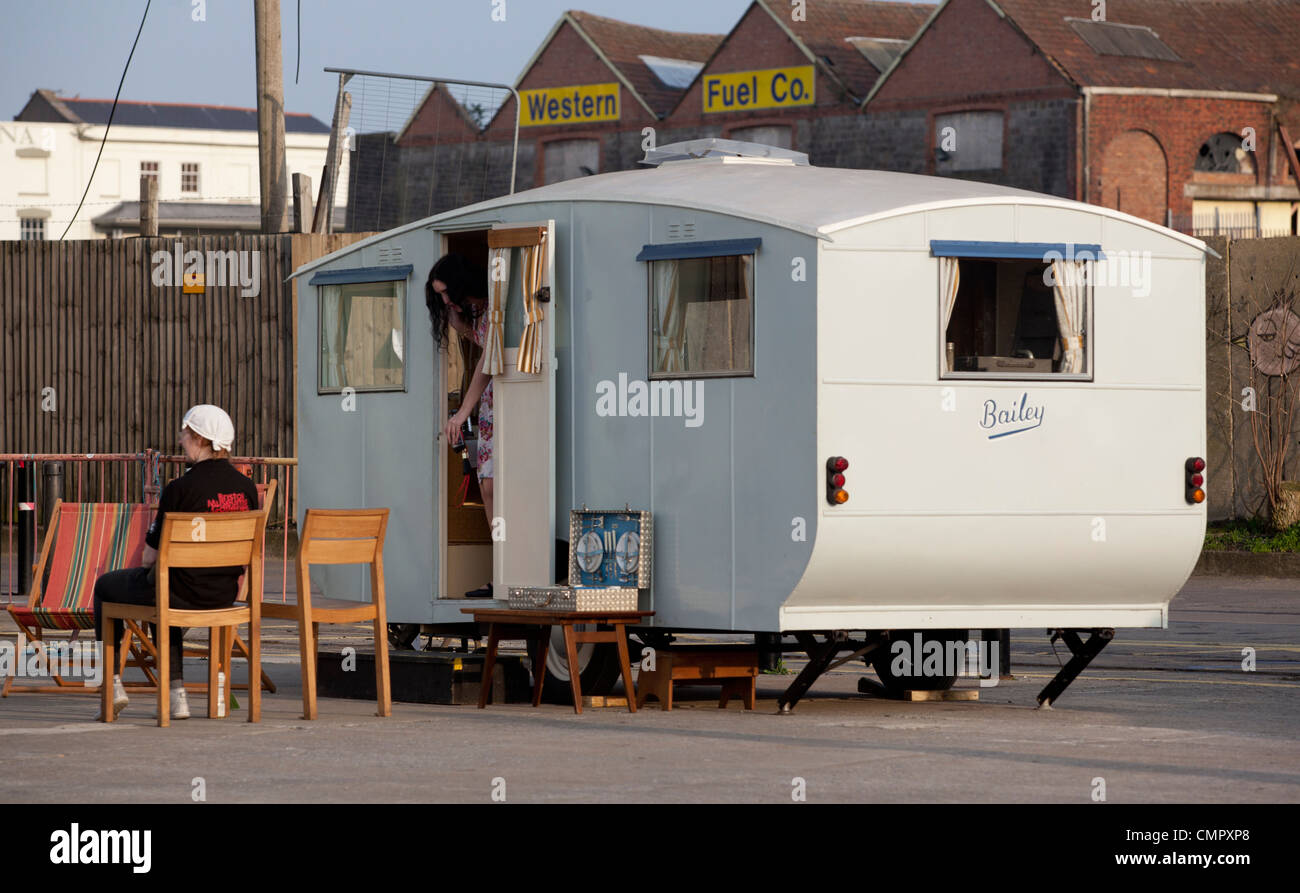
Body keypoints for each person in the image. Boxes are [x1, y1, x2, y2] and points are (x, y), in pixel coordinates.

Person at [93, 404, 259, 720]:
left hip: (179, 593)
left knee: (107, 587)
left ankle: (111, 684)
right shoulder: (247, 489)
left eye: (185, 433)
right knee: (165, 591)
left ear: (200, 438)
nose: (181, 440)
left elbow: (149, 556)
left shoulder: (179, 489)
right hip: (224, 595)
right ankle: (176, 695)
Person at [427, 253, 495, 598]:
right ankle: (502, 570)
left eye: (445, 292)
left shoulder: (496, 304)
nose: (444, 300)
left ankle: (508, 569)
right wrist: (461, 326)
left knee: (498, 486)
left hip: (506, 404)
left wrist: (461, 412)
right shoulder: (477, 311)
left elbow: (488, 361)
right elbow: (485, 347)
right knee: (487, 487)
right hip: (492, 411)